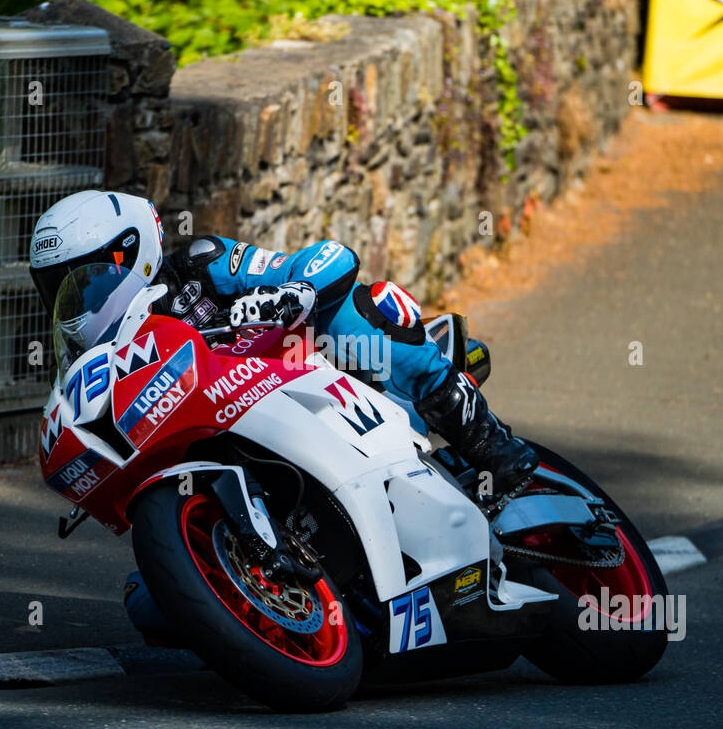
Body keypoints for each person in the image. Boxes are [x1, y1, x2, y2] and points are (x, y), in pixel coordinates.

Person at [29, 190, 537, 636]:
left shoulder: (200, 265)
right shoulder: (109, 361)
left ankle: (486, 441)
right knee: (146, 600)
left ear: (131, 252)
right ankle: (294, 595)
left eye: (86, 280)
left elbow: (324, 261)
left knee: (362, 311)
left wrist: (285, 295)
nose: (74, 303)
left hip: (310, 380)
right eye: (58, 290)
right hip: (239, 432)